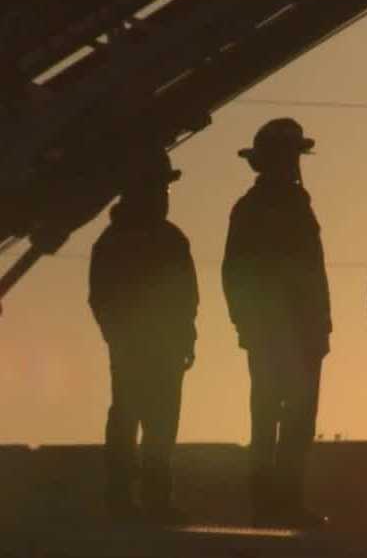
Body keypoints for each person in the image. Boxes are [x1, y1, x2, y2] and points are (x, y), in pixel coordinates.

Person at [222, 118, 331, 528]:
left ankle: (286, 501)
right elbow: (235, 274)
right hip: (273, 333)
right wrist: (248, 325)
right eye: (288, 157)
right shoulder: (253, 210)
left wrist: (321, 326)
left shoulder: (297, 207)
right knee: (269, 420)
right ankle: (269, 503)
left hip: (303, 334)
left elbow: (313, 273)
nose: (294, 165)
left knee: (297, 422)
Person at [88, 147, 198, 525]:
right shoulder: (131, 241)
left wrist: (186, 338)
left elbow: (187, 297)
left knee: (157, 424)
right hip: (139, 347)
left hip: (157, 347)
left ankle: (148, 500)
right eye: (157, 188)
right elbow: (101, 297)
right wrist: (120, 336)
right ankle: (127, 500)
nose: (163, 196)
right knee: (136, 420)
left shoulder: (161, 239)